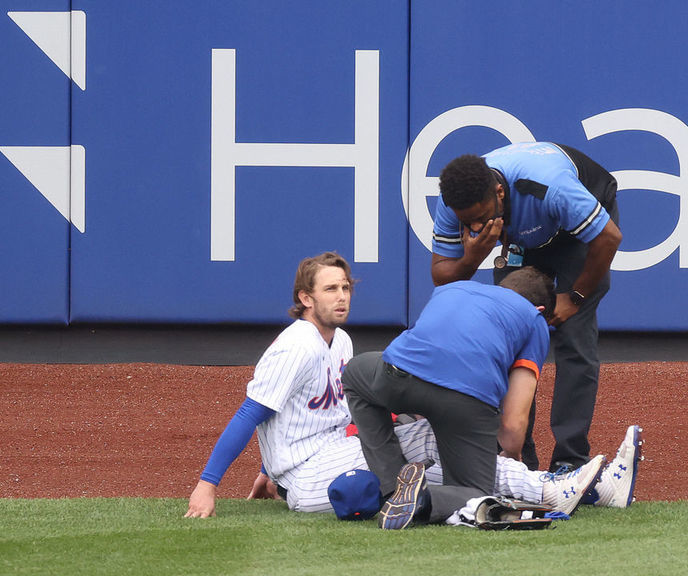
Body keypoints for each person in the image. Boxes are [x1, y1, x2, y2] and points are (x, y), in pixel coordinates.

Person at [185, 253, 640, 519]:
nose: (341, 296)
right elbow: (252, 413)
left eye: (345, 286)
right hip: (309, 476)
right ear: (305, 299)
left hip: (324, 456)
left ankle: (556, 486)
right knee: (436, 459)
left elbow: (314, 415)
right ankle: (552, 489)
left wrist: (268, 469)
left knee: (426, 433)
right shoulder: (296, 346)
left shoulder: (340, 341)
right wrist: (208, 485)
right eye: (329, 290)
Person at [342, 267, 608, 529]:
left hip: (398, 376)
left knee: (354, 374)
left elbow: (430, 347)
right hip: (466, 402)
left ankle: (391, 487)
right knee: (475, 492)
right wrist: (512, 454)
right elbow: (514, 423)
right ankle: (423, 498)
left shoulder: (452, 288)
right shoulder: (534, 319)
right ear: (541, 311)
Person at [432, 142, 623, 473]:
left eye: (480, 218)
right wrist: (474, 256)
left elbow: (608, 238)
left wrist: (575, 296)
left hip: (577, 237)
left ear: (499, 193)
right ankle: (516, 460)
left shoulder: (549, 186)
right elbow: (442, 276)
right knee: (508, 338)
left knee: (573, 337)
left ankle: (570, 461)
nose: (475, 229)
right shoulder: (456, 200)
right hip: (522, 241)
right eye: (468, 223)